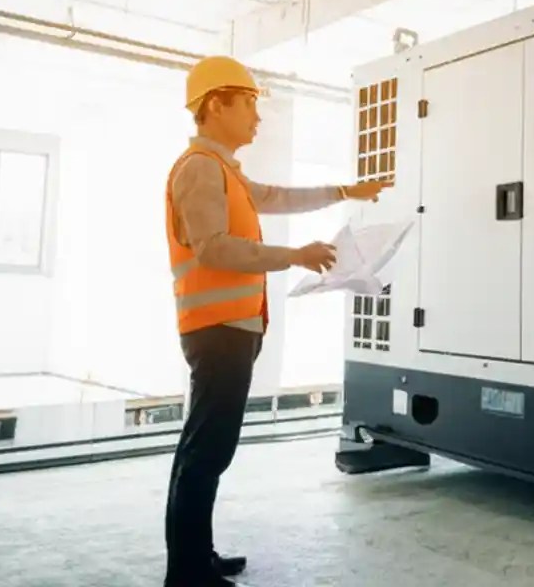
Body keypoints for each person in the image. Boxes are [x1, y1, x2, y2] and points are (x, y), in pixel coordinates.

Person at [163, 56, 387, 586]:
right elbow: (214, 248)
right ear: (215, 105)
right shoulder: (199, 168)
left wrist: (344, 192)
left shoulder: (225, 171)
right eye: (248, 104)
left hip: (231, 329)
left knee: (206, 449)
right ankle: (188, 573)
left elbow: (277, 198)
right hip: (217, 331)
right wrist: (295, 256)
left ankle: (197, 556)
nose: (257, 118)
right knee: (206, 452)